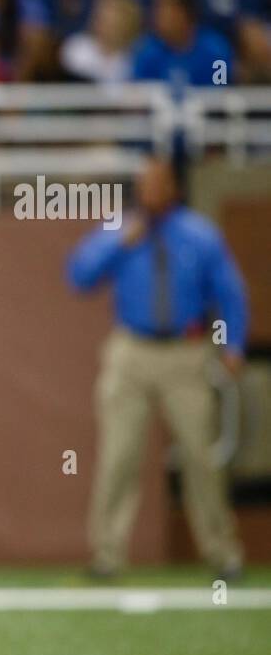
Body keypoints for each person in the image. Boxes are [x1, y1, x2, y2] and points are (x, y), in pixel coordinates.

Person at [67, 157, 248, 581]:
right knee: (119, 455)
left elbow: (230, 295)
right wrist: (120, 244)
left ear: (174, 189)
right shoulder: (120, 228)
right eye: (143, 183)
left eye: (157, 184)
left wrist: (232, 344)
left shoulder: (199, 235)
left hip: (185, 353)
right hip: (131, 351)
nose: (149, 191)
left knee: (201, 456)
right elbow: (78, 276)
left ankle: (222, 553)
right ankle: (107, 555)